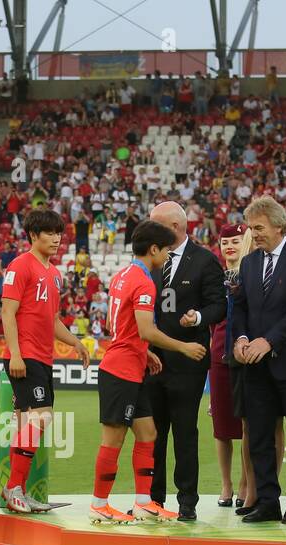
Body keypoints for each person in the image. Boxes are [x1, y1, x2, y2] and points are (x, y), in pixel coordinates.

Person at [90, 220, 208, 524]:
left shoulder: (122, 275)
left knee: (148, 433)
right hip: (121, 371)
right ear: (153, 249)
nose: (168, 256)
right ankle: (99, 503)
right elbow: (145, 329)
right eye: (166, 250)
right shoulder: (144, 282)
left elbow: (124, 326)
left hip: (132, 366)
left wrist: (146, 354)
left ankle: (144, 502)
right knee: (113, 439)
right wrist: (183, 347)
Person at [228, 196, 286, 523]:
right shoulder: (249, 263)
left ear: (279, 226)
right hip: (255, 366)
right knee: (260, 436)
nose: (255, 234)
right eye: (251, 228)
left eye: (259, 228)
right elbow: (239, 308)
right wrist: (240, 338)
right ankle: (267, 501)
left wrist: (268, 341)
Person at [0, 209, 90, 514]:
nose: (56, 239)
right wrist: (15, 353)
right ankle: (14, 487)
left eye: (59, 233)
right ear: (33, 235)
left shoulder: (54, 273)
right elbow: (7, 312)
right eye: (50, 233)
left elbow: (52, 320)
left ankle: (18, 491)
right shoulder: (20, 266)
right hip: (25, 356)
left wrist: (76, 342)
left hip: (43, 357)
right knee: (41, 417)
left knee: (29, 421)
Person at [142, 200, 226, 520]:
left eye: (156, 225)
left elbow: (219, 306)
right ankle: (154, 498)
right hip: (152, 361)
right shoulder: (149, 261)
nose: (150, 231)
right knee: (154, 434)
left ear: (175, 228)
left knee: (185, 433)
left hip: (188, 362)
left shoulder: (205, 261)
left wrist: (200, 316)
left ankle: (187, 500)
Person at [211, 223, 254, 509]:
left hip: (245, 356)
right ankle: (226, 484)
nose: (230, 246)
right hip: (217, 357)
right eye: (225, 242)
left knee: (247, 425)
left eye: (236, 241)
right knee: (221, 427)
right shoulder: (214, 277)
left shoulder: (251, 275)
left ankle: (243, 483)